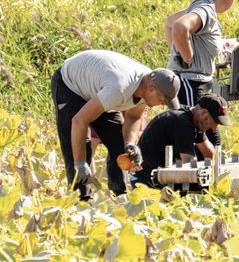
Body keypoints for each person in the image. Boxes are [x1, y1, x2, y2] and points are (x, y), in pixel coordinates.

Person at [51, 50, 182, 199]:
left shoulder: (147, 86)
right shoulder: (119, 88)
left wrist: (130, 143)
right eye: (163, 100)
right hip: (70, 84)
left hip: (100, 89)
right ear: (152, 89)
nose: (163, 104)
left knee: (119, 145)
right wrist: (80, 164)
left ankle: (120, 195)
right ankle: (81, 201)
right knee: (79, 148)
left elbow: (133, 116)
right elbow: (79, 121)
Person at [163, 0, 239, 146]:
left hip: (198, 82)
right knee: (196, 138)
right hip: (191, 83)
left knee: (211, 136)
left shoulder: (200, 6)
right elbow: (179, 27)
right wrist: (186, 56)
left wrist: (176, 52)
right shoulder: (206, 10)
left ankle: (213, 169)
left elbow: (168, 23)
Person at [132, 94, 232, 185]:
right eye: (214, 121)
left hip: (160, 174)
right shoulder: (182, 123)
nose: (214, 128)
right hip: (149, 180)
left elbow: (210, 154)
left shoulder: (194, 118)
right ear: (203, 113)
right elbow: (189, 166)